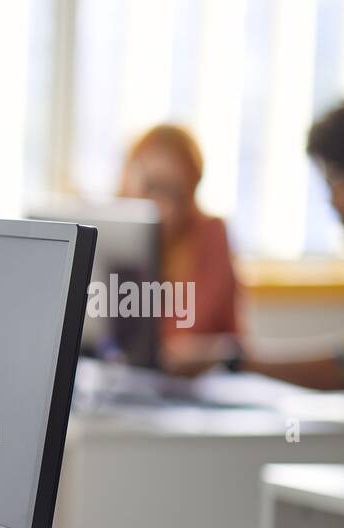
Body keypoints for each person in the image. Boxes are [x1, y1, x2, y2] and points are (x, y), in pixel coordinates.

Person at [161, 109, 344, 390]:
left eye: (333, 179)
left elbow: (339, 368)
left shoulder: (210, 233)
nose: (331, 200)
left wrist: (231, 359)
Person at [119, 123, 242, 354]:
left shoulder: (209, 233)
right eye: (151, 187)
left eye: (174, 192)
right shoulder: (117, 231)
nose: (162, 206)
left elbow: (183, 334)